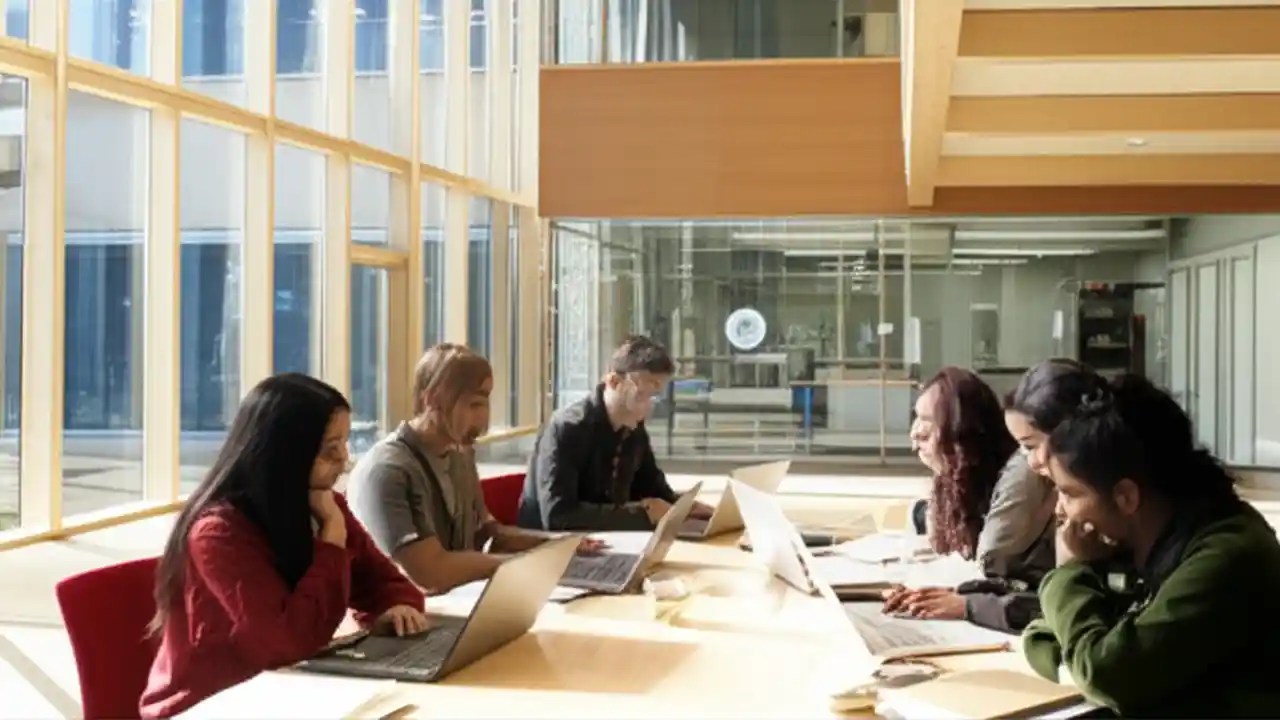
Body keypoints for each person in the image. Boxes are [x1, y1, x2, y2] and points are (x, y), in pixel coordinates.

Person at [140, 374, 427, 718]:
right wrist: (332, 544)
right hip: (210, 706)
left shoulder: (319, 505)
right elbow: (284, 644)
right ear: (284, 454)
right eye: (329, 450)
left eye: (344, 444)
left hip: (285, 693)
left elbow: (391, 587)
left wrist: (392, 609)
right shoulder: (218, 533)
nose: (344, 460)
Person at [1023, 374, 1280, 717]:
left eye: (1070, 493)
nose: (1060, 510)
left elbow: (1107, 674)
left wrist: (1069, 573)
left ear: (1126, 496)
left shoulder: (1228, 555)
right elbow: (1040, 634)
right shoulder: (1130, 545)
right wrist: (1081, 661)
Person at [347, 344, 598, 596]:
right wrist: (531, 566)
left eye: (486, 403)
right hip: (410, 618)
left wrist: (562, 546)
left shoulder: (460, 453)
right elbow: (430, 574)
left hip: (461, 602)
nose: (484, 421)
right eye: (474, 404)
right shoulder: (388, 471)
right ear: (432, 399)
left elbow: (489, 534)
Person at [882, 366, 1057, 634]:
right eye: (916, 419)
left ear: (964, 430)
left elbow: (991, 561)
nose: (915, 435)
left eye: (929, 422)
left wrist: (966, 602)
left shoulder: (1025, 470)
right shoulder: (961, 485)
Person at [517, 335, 713, 531]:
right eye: (644, 393)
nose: (651, 406)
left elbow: (654, 490)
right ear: (614, 381)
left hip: (610, 542)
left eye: (657, 395)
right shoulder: (567, 428)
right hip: (552, 548)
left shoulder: (634, 429)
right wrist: (642, 514)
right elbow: (558, 516)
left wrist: (685, 507)